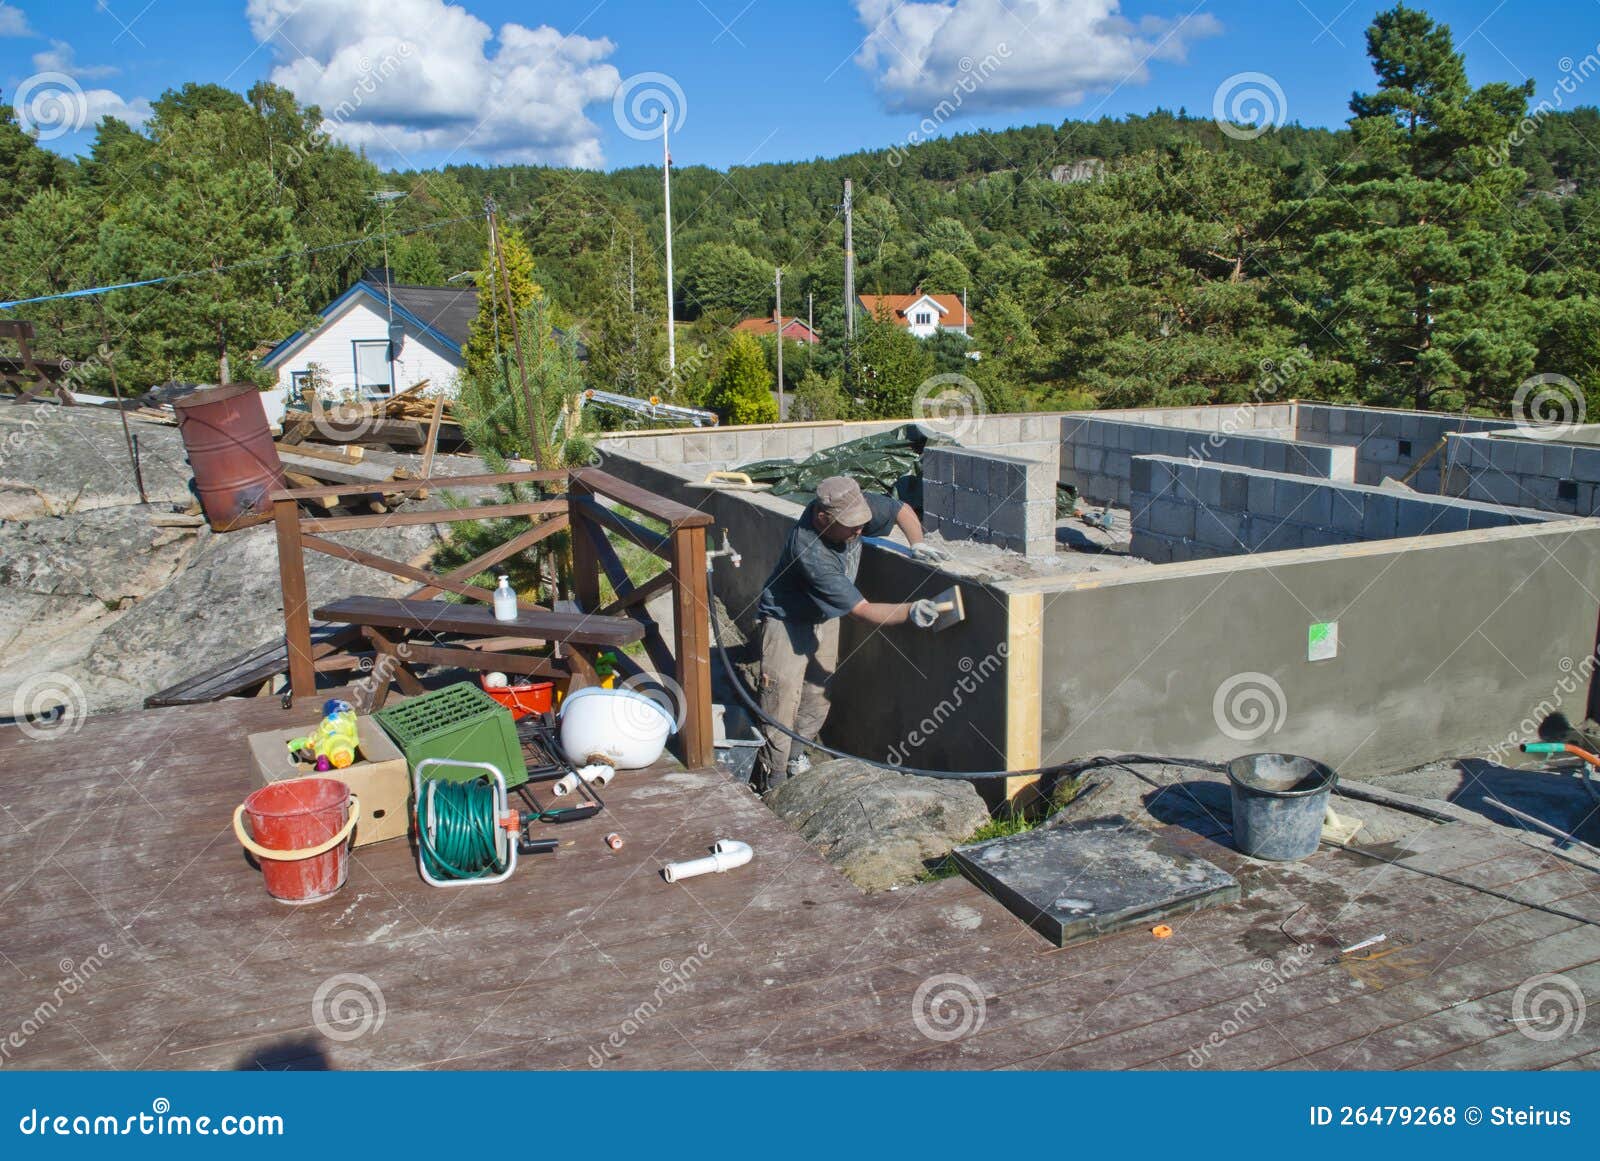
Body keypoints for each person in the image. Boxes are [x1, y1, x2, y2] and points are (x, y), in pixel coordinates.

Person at [752, 475, 950, 792]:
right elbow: (862, 611)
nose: (859, 530)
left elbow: (900, 509)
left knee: (817, 695)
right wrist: (911, 611)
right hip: (787, 619)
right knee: (780, 701)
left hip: (826, 614)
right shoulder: (811, 551)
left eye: (861, 522)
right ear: (822, 518)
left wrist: (917, 543)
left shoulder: (851, 506)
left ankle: (796, 756)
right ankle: (772, 780)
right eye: (850, 526)